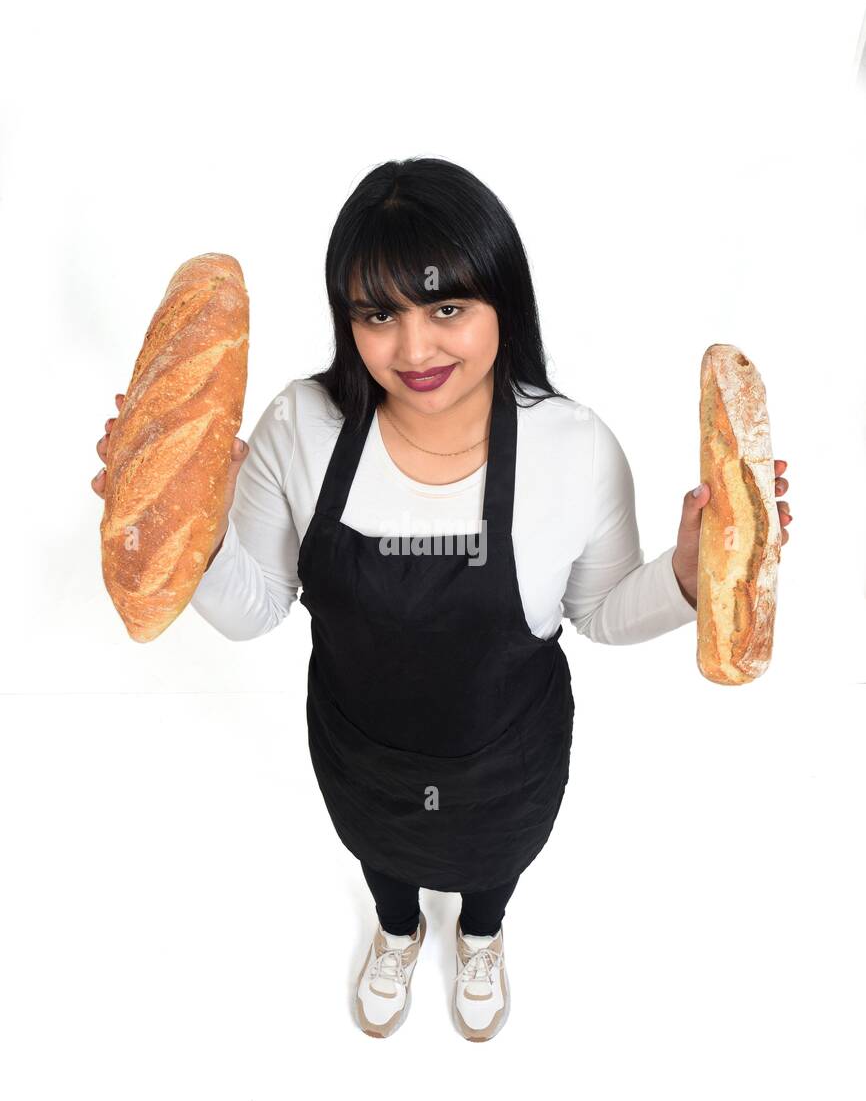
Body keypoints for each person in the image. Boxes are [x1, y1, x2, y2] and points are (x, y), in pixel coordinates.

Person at [92, 157, 793, 1043]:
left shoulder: (573, 448)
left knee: (493, 869)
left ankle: (483, 936)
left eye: (447, 308)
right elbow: (257, 606)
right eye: (379, 314)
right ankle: (396, 929)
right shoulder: (300, 426)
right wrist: (188, 532)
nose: (413, 350)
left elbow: (599, 611)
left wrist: (692, 574)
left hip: (508, 757)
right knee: (382, 858)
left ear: (505, 300)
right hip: (359, 748)